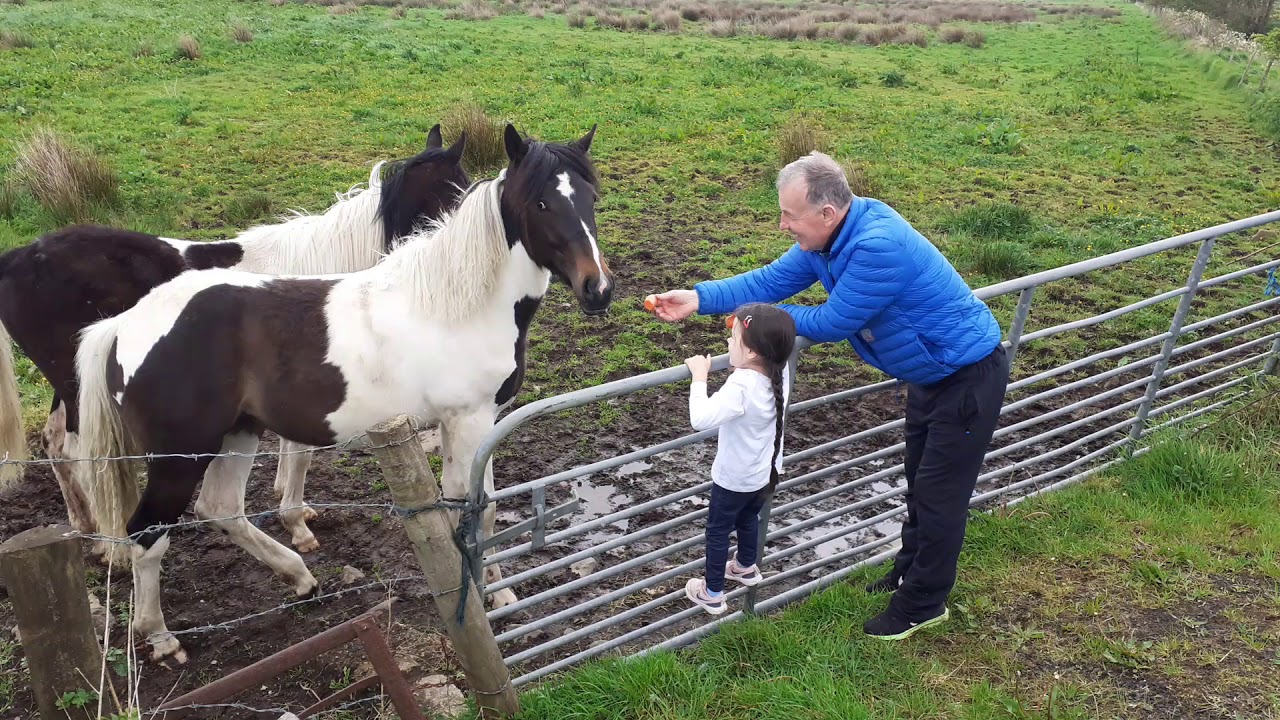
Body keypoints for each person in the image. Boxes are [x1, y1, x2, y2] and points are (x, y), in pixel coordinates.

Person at [649, 151, 1009, 640]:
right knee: (919, 486)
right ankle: (907, 575)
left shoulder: (876, 245)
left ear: (826, 213)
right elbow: (771, 281)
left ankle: (924, 603)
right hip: (933, 375)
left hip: (966, 379)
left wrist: (761, 325)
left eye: (788, 216)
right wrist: (700, 298)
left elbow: (834, 321)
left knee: (939, 497)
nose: (782, 225)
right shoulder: (831, 237)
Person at [683, 303, 795, 615]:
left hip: (732, 479)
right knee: (748, 518)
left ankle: (713, 592)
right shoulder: (779, 371)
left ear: (752, 352)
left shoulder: (741, 385)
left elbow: (700, 418)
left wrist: (699, 377)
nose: (728, 344)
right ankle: (746, 566)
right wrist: (740, 365)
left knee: (717, 531)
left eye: (734, 340)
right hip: (764, 473)